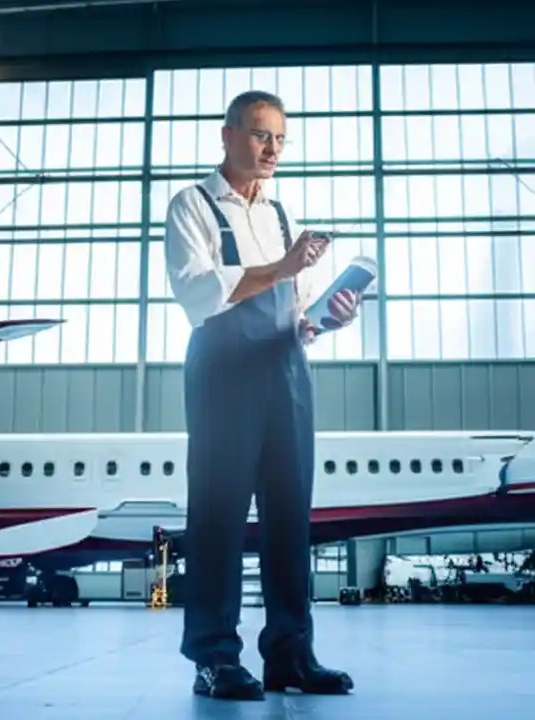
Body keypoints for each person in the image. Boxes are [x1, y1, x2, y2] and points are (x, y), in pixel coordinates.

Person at [163, 90, 360, 701]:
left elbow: (294, 311)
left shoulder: (278, 215)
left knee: (290, 517)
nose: (272, 148)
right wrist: (281, 268)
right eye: (259, 134)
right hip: (224, 371)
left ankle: (291, 655)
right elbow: (197, 293)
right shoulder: (192, 205)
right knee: (218, 516)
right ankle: (215, 657)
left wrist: (326, 317)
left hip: (286, 368)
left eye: (279, 138)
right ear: (227, 136)